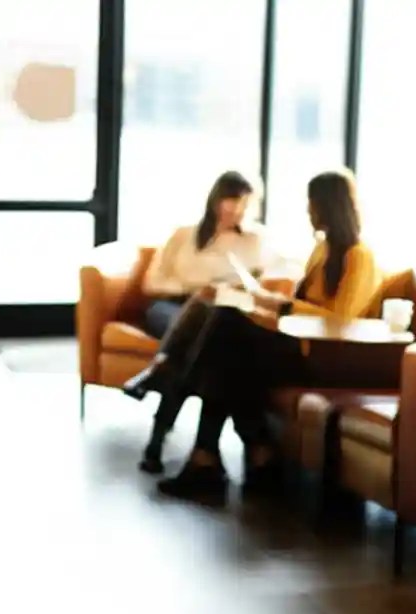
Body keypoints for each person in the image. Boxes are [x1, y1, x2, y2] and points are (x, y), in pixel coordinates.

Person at [155, 169, 382, 501]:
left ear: (329, 207)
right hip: (301, 344)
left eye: (312, 205)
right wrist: (278, 304)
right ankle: (238, 453)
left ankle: (215, 449)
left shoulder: (358, 257)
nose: (308, 212)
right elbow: (307, 306)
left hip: (326, 357)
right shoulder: (323, 250)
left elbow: (340, 322)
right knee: (227, 330)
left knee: (227, 337)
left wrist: (286, 307)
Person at [123, 170, 274, 474]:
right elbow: (152, 283)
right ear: (216, 199)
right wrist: (193, 291)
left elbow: (264, 286)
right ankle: (206, 447)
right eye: (231, 201)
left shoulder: (255, 240)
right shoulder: (184, 235)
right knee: (200, 330)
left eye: (245, 204)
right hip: (171, 307)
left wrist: (229, 292)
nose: (237, 210)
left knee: (198, 346)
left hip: (218, 315)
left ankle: (158, 382)